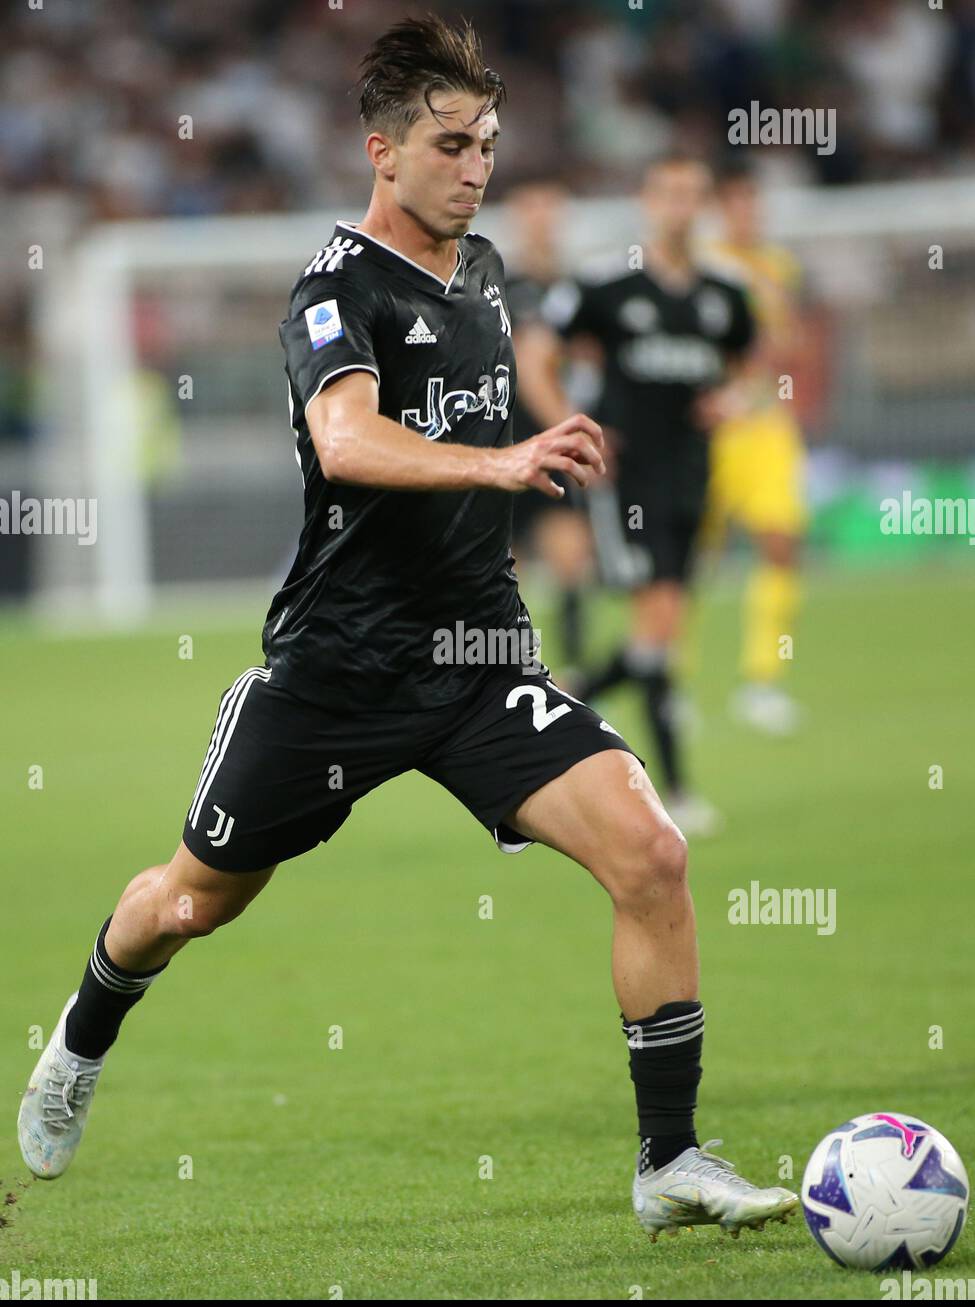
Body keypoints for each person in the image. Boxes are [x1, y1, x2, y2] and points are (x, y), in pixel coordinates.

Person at [19, 17, 797, 1241]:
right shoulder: (335, 289)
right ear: (383, 151)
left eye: (487, 142)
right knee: (187, 904)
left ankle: (671, 1160)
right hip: (336, 672)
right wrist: (497, 466)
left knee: (653, 854)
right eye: (450, 144)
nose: (474, 166)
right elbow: (344, 440)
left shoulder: (487, 272)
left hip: (480, 659)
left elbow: (517, 396)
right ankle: (79, 1035)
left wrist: (552, 456)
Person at [518, 155, 757, 837]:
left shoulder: (723, 292)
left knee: (660, 634)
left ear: (703, 204)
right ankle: (674, 792)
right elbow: (534, 352)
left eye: (691, 194)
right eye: (667, 194)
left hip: (691, 479)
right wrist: (567, 426)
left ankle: (562, 699)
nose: (679, 206)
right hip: (624, 484)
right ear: (646, 201)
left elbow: (747, 365)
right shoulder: (605, 284)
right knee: (657, 627)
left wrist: (732, 398)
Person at [702, 164, 809, 735]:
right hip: (711, 431)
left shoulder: (778, 268)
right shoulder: (702, 266)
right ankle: (668, 683)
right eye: (738, 203)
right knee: (689, 561)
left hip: (765, 426)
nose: (749, 214)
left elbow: (788, 345)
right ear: (721, 208)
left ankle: (763, 681)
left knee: (781, 543)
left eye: (755, 204)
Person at [504, 178, 594, 687]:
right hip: (507, 443)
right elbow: (529, 362)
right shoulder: (503, 284)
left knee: (572, 561)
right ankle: (500, 671)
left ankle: (575, 676)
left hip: (558, 446)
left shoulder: (577, 287)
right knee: (500, 568)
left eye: (550, 206)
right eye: (531, 205)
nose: (542, 216)